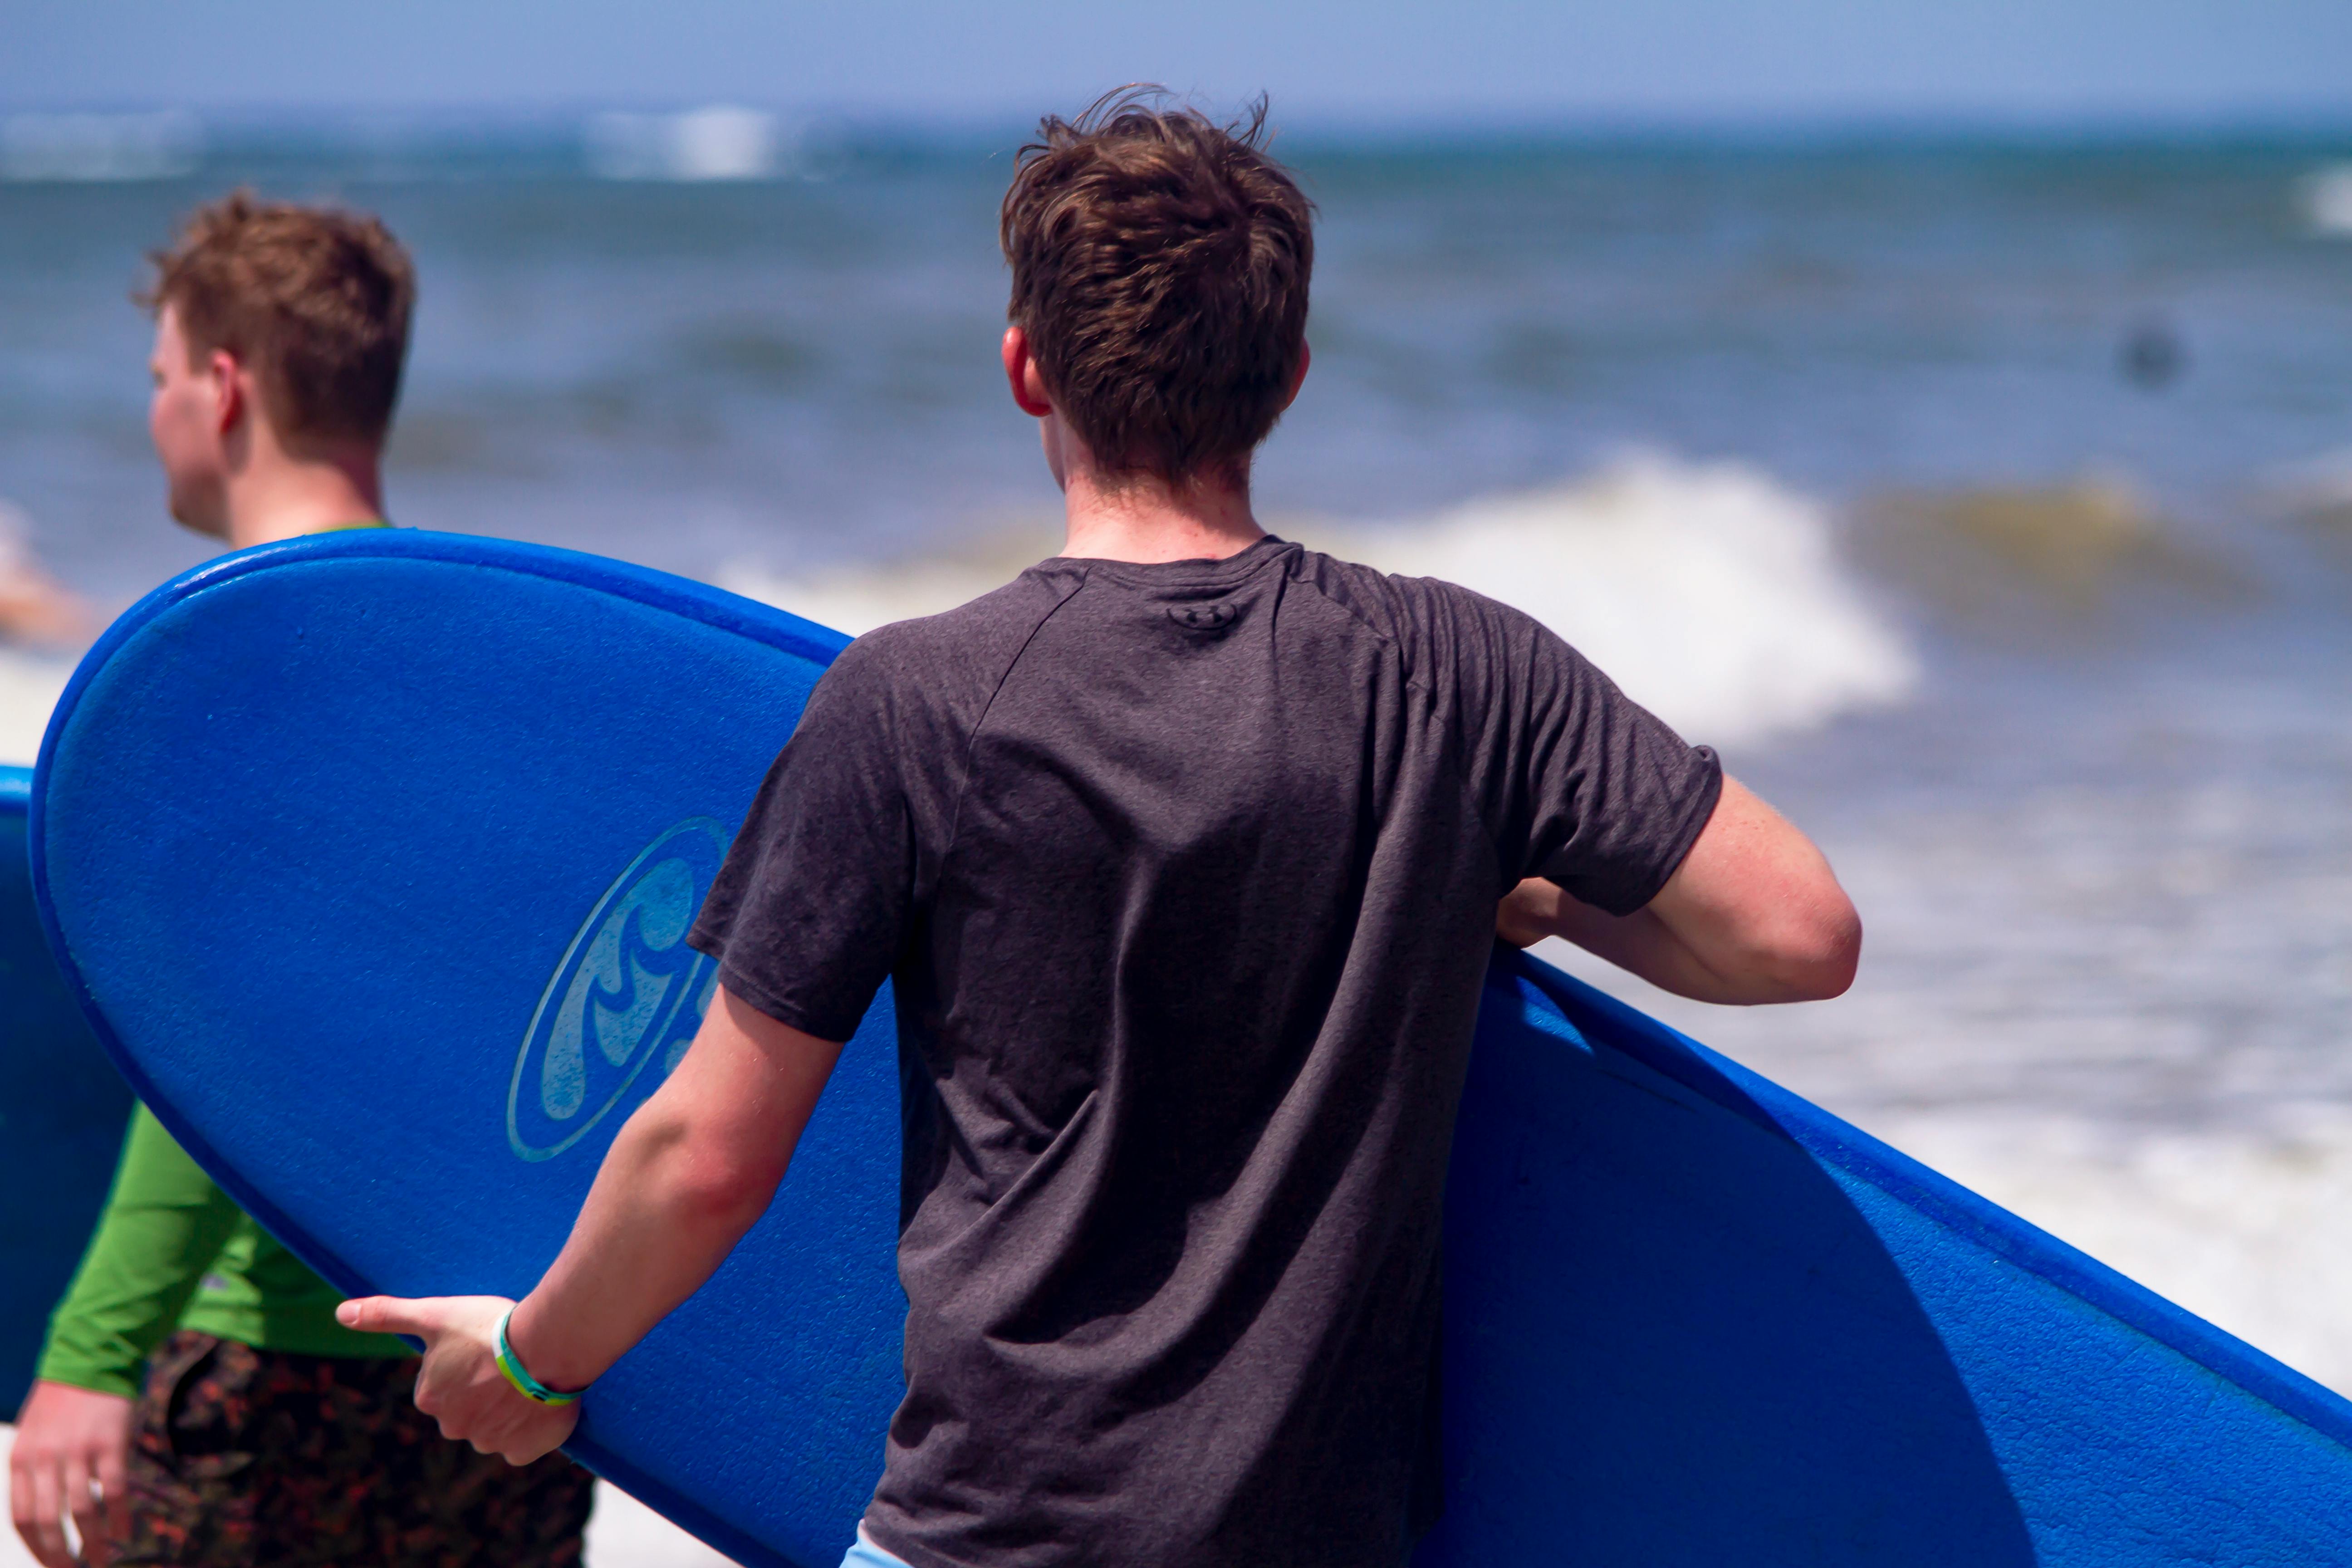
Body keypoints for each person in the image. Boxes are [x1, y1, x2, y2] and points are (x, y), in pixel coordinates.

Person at [342, 95, 1861, 1568]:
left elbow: (711, 1155)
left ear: (1026, 369)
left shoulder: (916, 704)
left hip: (1000, 1537)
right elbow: (1797, 934)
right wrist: (1509, 885)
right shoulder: (1456, 674)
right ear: (1290, 376)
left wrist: (532, 1364)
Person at [8, 192, 594, 1568]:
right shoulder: (497, 666)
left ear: (223, 390)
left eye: (158, 378)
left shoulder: (236, 671)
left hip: (270, 1371)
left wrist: (91, 1358)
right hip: (492, 1369)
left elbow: (224, 1034)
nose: (153, 409)